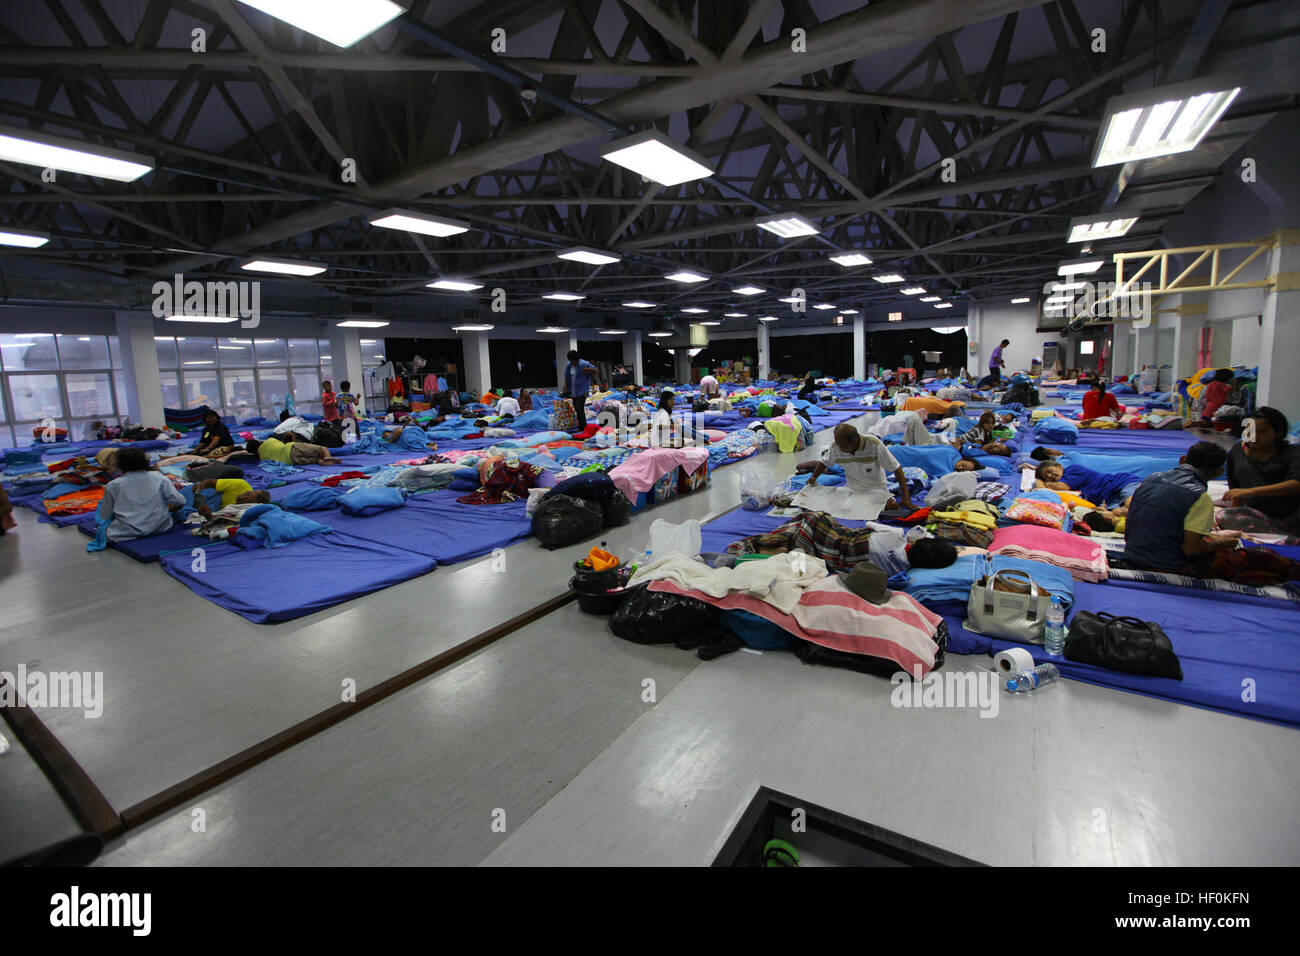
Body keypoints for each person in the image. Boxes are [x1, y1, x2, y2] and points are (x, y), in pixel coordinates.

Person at [1220, 407, 1300, 534]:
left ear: (1278, 432)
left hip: (1291, 515)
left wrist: (1251, 492)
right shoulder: (1237, 451)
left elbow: (1296, 484)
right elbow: (1236, 491)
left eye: (1262, 431)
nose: (1254, 436)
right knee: (1223, 516)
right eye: (1249, 430)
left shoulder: (1293, 453)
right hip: (1258, 515)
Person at [809, 423, 914, 511]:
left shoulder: (873, 443)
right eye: (838, 444)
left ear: (855, 440)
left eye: (843, 446)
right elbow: (824, 463)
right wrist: (814, 477)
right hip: (851, 489)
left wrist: (906, 496)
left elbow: (896, 468)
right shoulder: (836, 446)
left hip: (875, 490)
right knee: (825, 502)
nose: (839, 448)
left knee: (892, 506)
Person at [95, 447, 185, 541]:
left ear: (120, 465)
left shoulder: (113, 485)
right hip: (160, 527)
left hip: (125, 532)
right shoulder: (159, 478)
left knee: (103, 509)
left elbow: (105, 515)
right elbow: (180, 501)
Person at [247, 436, 342, 466]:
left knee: (316, 459)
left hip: (290, 461)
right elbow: (283, 442)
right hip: (291, 448)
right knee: (321, 448)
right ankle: (326, 456)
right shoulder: (269, 440)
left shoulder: (261, 457)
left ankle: (322, 461)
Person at [563, 350, 597, 432]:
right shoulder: (569, 365)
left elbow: (596, 371)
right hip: (574, 391)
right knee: (577, 409)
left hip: (583, 390)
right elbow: (567, 377)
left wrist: (587, 370)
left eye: (573, 361)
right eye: (570, 361)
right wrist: (565, 387)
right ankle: (581, 426)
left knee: (579, 408)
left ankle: (583, 427)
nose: (572, 362)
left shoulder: (584, 363)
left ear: (577, 359)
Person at [192, 477, 270, 508]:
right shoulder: (240, 484)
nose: (243, 497)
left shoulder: (241, 510)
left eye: (246, 501)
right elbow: (210, 482)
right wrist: (200, 486)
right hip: (200, 492)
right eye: (247, 494)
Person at [900, 394, 965, 417]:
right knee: (944, 404)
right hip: (931, 402)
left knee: (943, 405)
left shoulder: (909, 404)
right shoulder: (910, 401)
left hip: (930, 403)